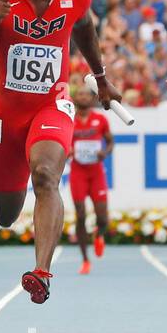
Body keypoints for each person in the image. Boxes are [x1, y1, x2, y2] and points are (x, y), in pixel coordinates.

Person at [0, 0, 123, 304]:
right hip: (5, 114)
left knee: (46, 175)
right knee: (4, 214)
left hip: (53, 104)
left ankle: (42, 272)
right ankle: (24, 231)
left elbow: (84, 30)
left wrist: (101, 78)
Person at [69, 86, 114, 275]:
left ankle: (99, 234)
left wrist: (105, 152)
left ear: (92, 98)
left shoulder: (101, 119)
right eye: (80, 93)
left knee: (102, 218)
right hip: (78, 172)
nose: (84, 97)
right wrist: (67, 151)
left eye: (87, 94)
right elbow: (60, 143)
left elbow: (110, 141)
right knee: (80, 215)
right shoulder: (69, 120)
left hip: (96, 173)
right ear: (74, 97)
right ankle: (85, 259)